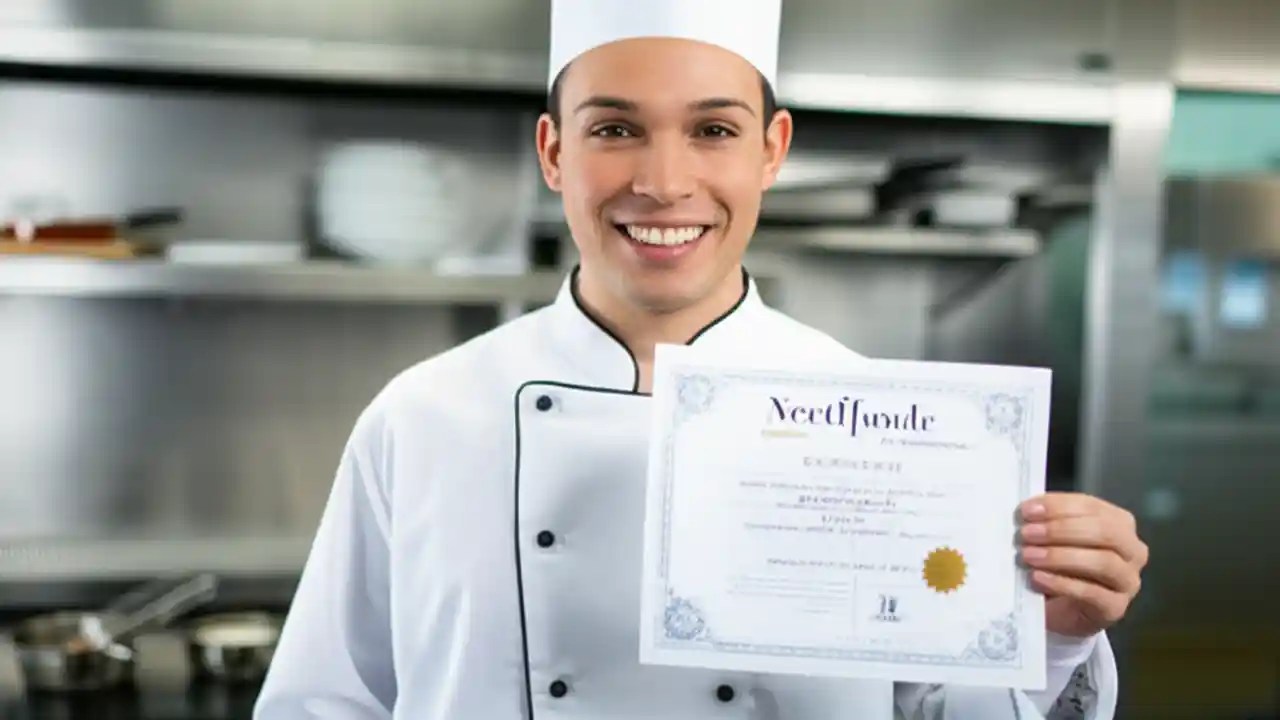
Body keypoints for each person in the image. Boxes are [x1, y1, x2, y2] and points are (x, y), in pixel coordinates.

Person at [254, 1, 1149, 717]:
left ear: (773, 151)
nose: (664, 182)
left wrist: (1056, 636)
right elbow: (323, 702)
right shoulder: (425, 416)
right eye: (615, 130)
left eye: (713, 131)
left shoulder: (883, 424)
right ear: (555, 152)